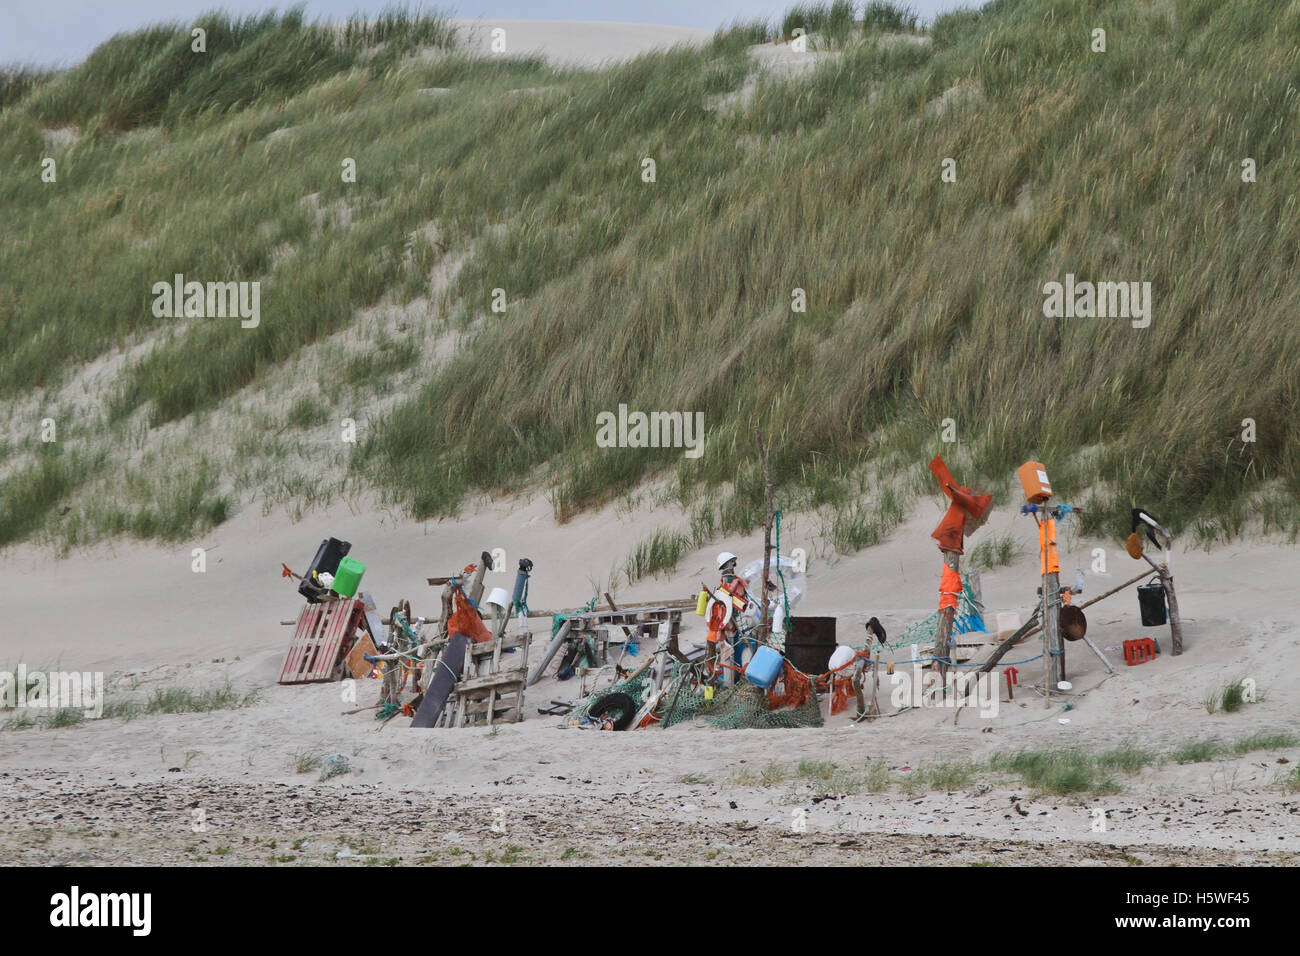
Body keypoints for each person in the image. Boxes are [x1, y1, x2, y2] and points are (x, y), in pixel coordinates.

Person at [705, 552, 749, 674]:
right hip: (729, 623)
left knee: (735, 650)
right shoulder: (730, 581)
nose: (734, 564)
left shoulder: (728, 581)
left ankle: (733, 674)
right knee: (732, 651)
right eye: (732, 562)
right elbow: (737, 598)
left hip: (731, 622)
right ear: (728, 563)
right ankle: (732, 676)